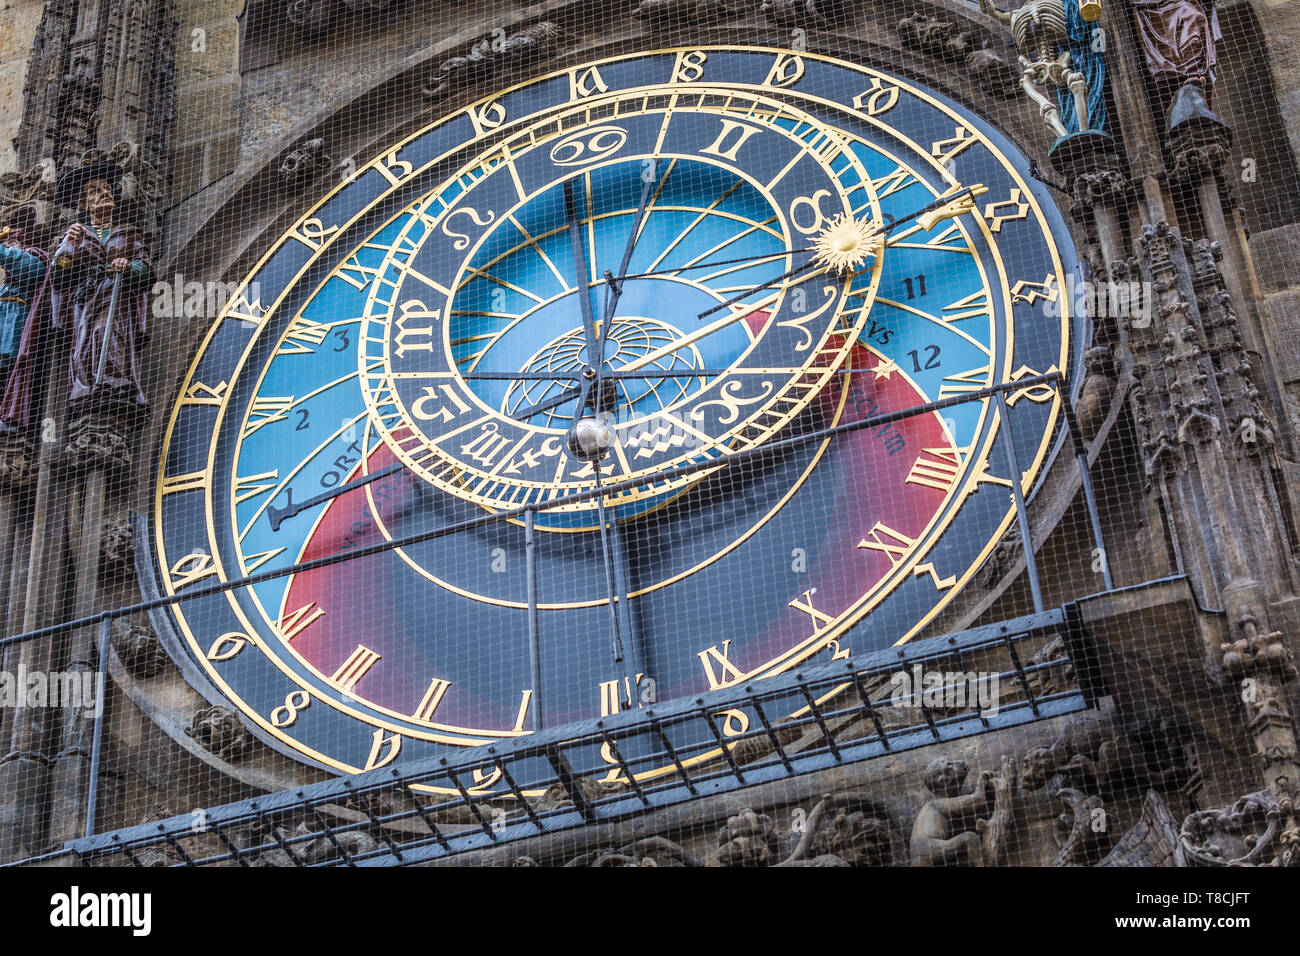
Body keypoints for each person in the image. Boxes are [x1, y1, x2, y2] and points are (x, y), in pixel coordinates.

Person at [49, 161, 152, 418]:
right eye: (95, 191)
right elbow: (59, 275)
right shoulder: (76, 236)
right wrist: (68, 245)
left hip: (115, 293)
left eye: (107, 188)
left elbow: (147, 270)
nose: (104, 193)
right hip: (84, 300)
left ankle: (113, 381)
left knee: (105, 331)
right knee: (83, 340)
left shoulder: (128, 233)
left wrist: (128, 265)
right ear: (84, 204)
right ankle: (87, 386)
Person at [0, 203, 51, 432]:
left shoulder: (33, 259)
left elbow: (27, 268)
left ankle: (8, 416)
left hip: (16, 332)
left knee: (7, 369)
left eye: (12, 243)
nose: (9, 248)